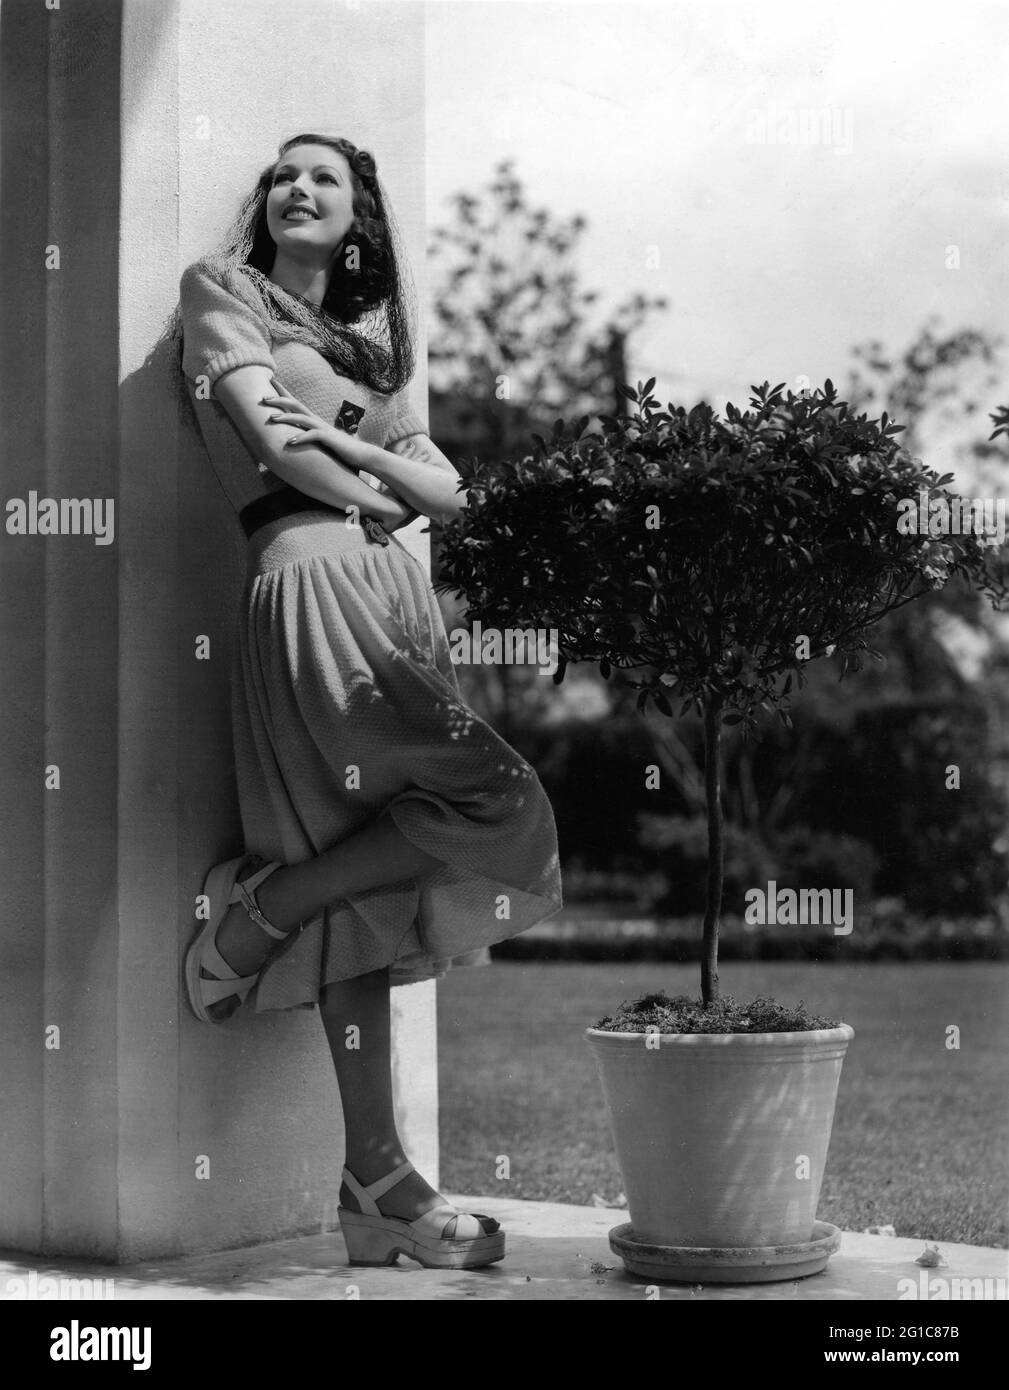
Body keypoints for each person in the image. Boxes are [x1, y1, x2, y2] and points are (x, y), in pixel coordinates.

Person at [174, 133, 563, 1271]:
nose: (300, 189)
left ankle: (375, 1181)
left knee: (366, 896)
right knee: (501, 800)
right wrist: (372, 476)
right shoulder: (221, 294)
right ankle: (260, 913)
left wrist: (361, 454)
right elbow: (265, 438)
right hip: (307, 578)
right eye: (286, 175)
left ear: (358, 222)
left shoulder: (374, 350)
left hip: (395, 596)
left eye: (326, 181)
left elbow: (450, 490)